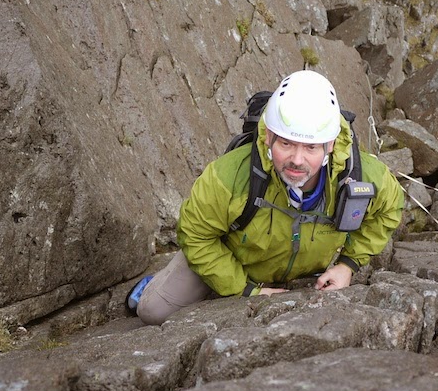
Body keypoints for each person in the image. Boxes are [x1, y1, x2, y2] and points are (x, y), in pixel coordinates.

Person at [131, 69, 405, 325]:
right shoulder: (228, 177)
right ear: (269, 137)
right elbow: (195, 234)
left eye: (311, 147)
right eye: (286, 143)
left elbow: (390, 209)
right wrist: (244, 289)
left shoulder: (362, 175)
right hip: (236, 257)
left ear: (330, 145)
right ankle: (158, 279)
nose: (297, 160)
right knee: (152, 310)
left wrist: (348, 264)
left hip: (305, 264)